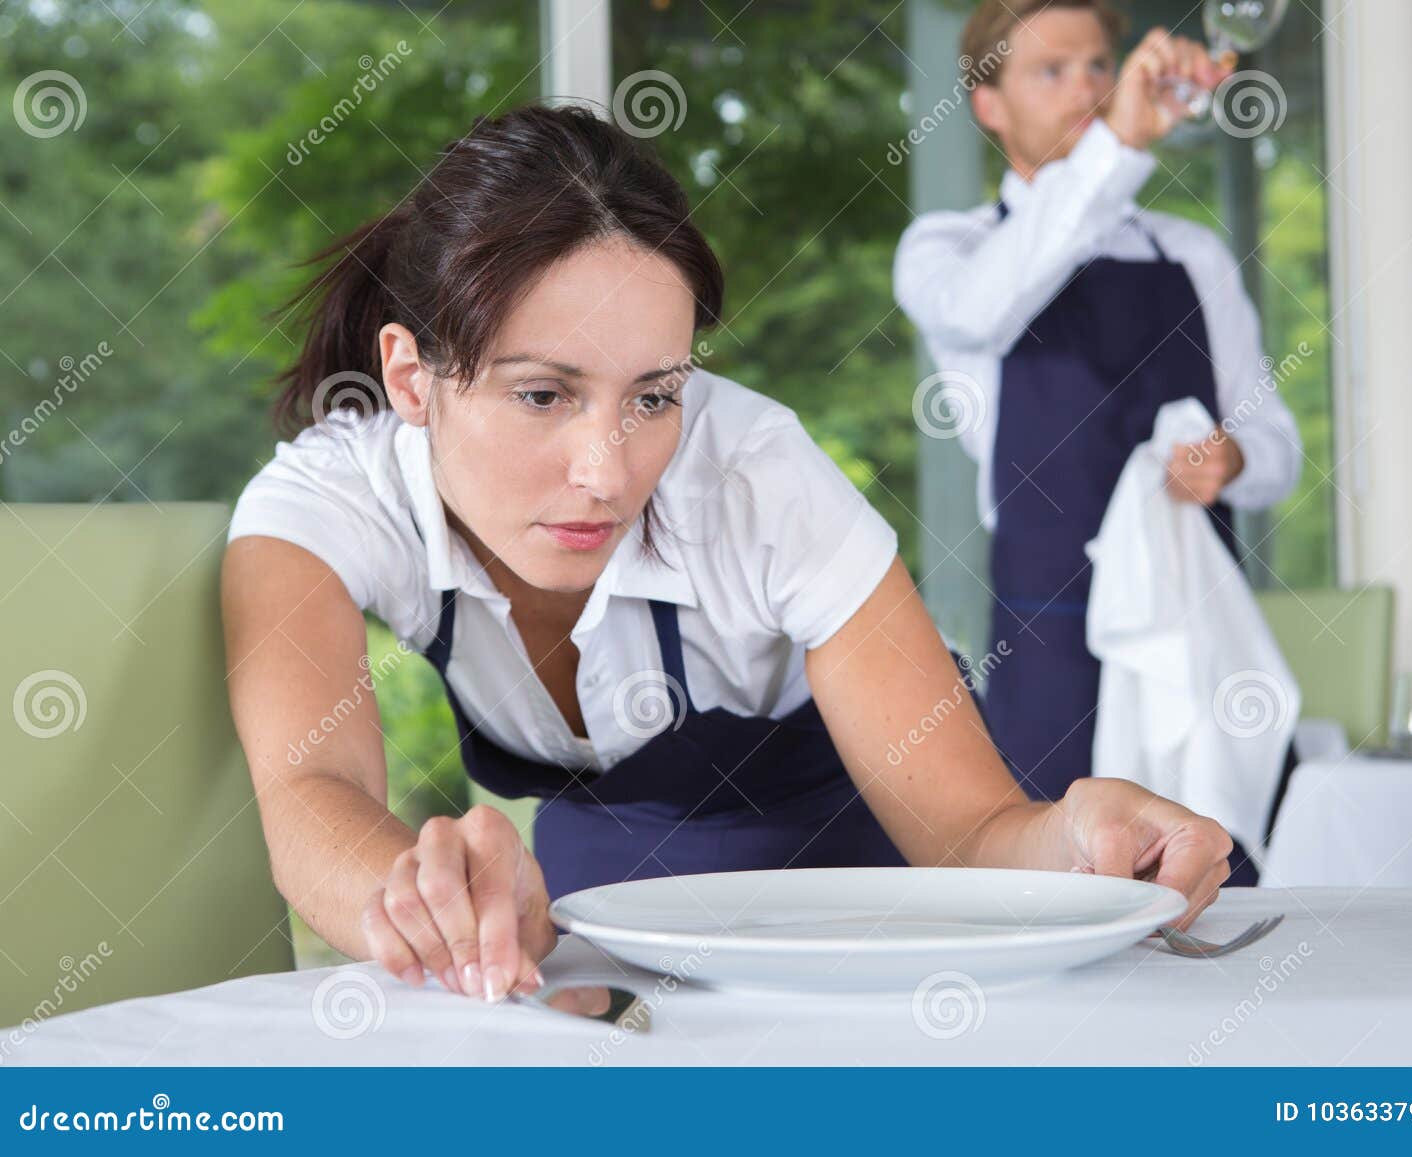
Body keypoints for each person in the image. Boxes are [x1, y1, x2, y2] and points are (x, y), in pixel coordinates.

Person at [222, 102, 1234, 1005]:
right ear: (408, 376)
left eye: (655, 395)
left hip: (862, 914)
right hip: (599, 914)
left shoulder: (759, 477)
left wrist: (1077, 837)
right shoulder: (330, 498)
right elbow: (312, 790)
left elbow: (973, 836)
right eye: (543, 394)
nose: (607, 473)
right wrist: (425, 896)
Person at [893, 0, 1302, 882]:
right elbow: (992, 304)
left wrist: (1234, 460)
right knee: (1054, 890)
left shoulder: (1192, 254)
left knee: (1213, 884)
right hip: (1047, 643)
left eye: (1096, 66)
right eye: (1051, 70)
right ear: (987, 103)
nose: (1084, 86)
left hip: (1190, 625)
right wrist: (1120, 145)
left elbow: (1276, 445)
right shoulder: (950, 253)